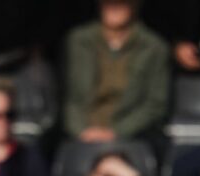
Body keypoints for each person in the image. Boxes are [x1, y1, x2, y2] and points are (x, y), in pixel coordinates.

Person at [63, 0, 169, 143]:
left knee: (110, 159)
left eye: (121, 3)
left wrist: (116, 132)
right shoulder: (80, 40)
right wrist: (82, 131)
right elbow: (70, 97)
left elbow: (155, 104)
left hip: (132, 135)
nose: (113, 7)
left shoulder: (153, 47)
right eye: (108, 2)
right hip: (82, 134)